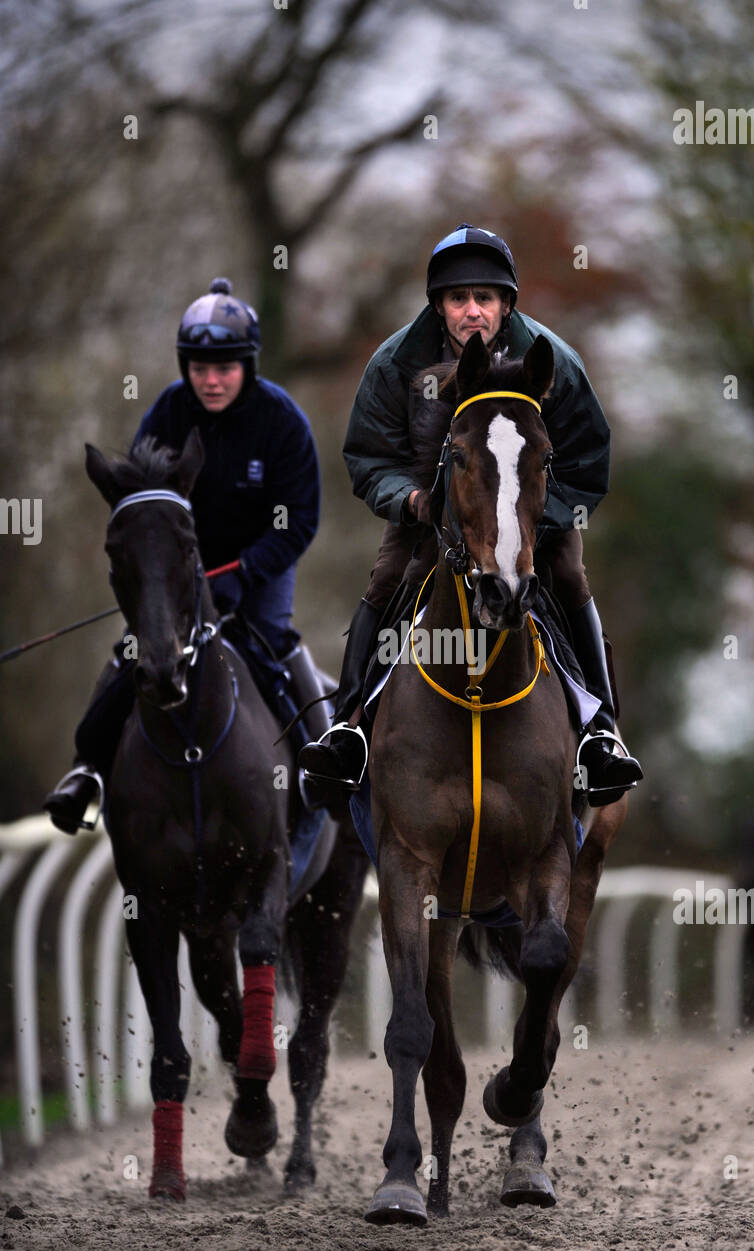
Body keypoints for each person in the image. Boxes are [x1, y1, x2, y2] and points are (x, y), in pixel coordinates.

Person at [298, 224, 643, 812]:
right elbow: (367, 456)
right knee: (387, 577)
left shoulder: (553, 360)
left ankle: (600, 733)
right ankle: (348, 726)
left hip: (531, 518)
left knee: (567, 576)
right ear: (439, 306)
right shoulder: (394, 363)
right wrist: (409, 501)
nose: (472, 312)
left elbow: (589, 463)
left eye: (485, 299)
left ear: (507, 304)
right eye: (459, 300)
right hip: (430, 512)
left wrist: (534, 520)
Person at [44, 277, 323, 834]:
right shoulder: (167, 415)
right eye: (199, 368)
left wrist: (245, 573)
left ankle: (324, 763)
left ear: (247, 366)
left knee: (272, 643)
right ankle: (86, 771)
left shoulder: (282, 422)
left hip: (258, 567)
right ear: (185, 367)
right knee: (135, 653)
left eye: (223, 368)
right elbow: (140, 511)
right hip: (176, 573)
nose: (211, 381)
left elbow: (300, 519)